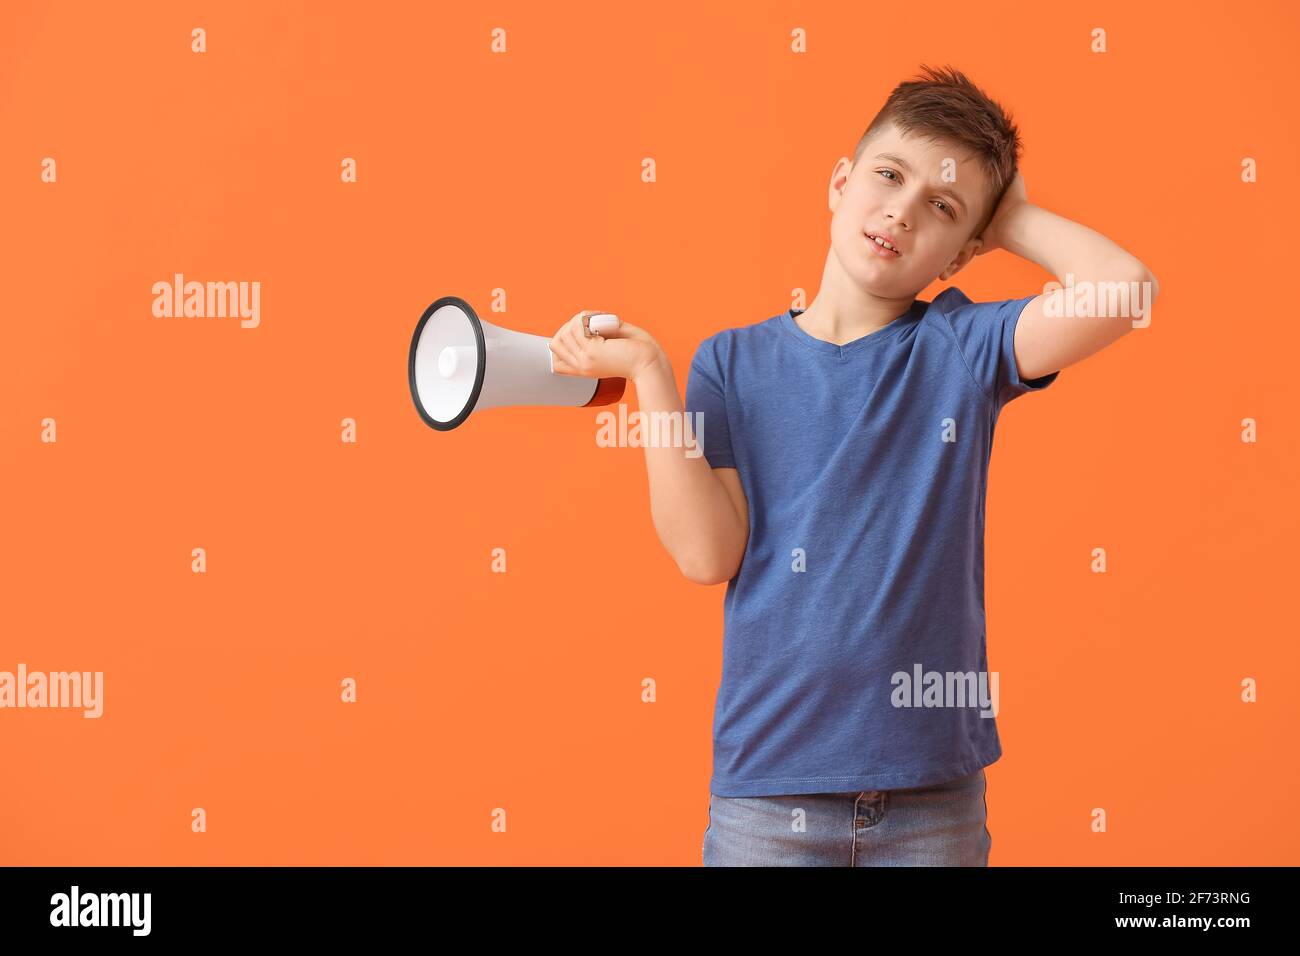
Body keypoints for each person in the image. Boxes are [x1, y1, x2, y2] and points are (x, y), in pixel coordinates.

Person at [548, 64, 1158, 866]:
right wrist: (654, 375)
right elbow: (706, 555)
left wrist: (1012, 219)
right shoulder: (729, 364)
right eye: (889, 175)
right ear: (840, 182)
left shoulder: (962, 346)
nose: (902, 211)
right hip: (768, 796)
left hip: (930, 801)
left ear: (963, 253)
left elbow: (1126, 291)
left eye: (941, 207)